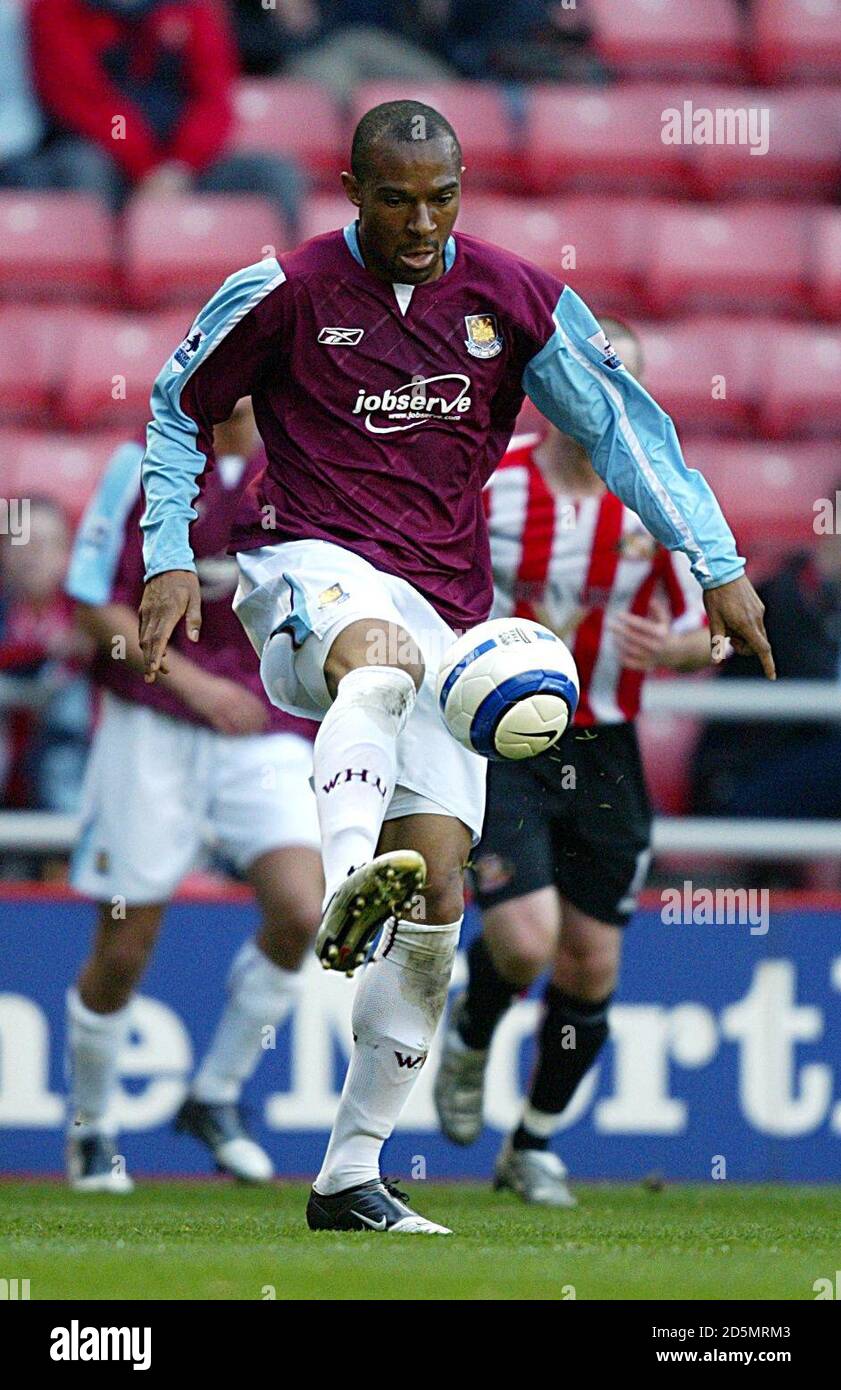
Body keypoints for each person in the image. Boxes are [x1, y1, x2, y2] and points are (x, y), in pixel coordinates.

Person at [136, 100, 774, 1234]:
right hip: (307, 567)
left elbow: (621, 425)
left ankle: (350, 1172)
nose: (422, 219)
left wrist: (714, 558)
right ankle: (345, 884)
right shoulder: (280, 288)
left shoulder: (514, 298)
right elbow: (178, 407)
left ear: (462, 186)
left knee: (437, 893)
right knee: (370, 660)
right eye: (396, 197)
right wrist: (168, 553)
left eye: (442, 196)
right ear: (350, 188)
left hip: (450, 610)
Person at [434, 319, 712, 1205]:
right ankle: (471, 1037)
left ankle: (534, 1145)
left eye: (619, 384)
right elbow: (429, 588)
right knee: (524, 940)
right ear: (552, 391)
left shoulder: (655, 501)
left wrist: (676, 653)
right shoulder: (492, 486)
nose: (597, 402)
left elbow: (707, 623)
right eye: (585, 382)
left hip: (607, 747)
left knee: (590, 961)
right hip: (504, 745)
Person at [64, 400, 322, 1192]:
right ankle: (92, 1126)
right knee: (125, 941)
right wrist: (197, 684)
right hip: (155, 725)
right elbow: (91, 609)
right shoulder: (142, 466)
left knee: (301, 910)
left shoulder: (308, 471)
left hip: (267, 728)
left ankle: (214, 1095)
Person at [28, 0, 305, 234]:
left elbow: (214, 98)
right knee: (83, 168)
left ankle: (281, 290)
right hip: (108, 160)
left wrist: (179, 167)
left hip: (184, 167)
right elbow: (81, 100)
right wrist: (145, 167)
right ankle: (98, 290)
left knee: (275, 174)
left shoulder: (194, 7)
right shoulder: (58, 7)